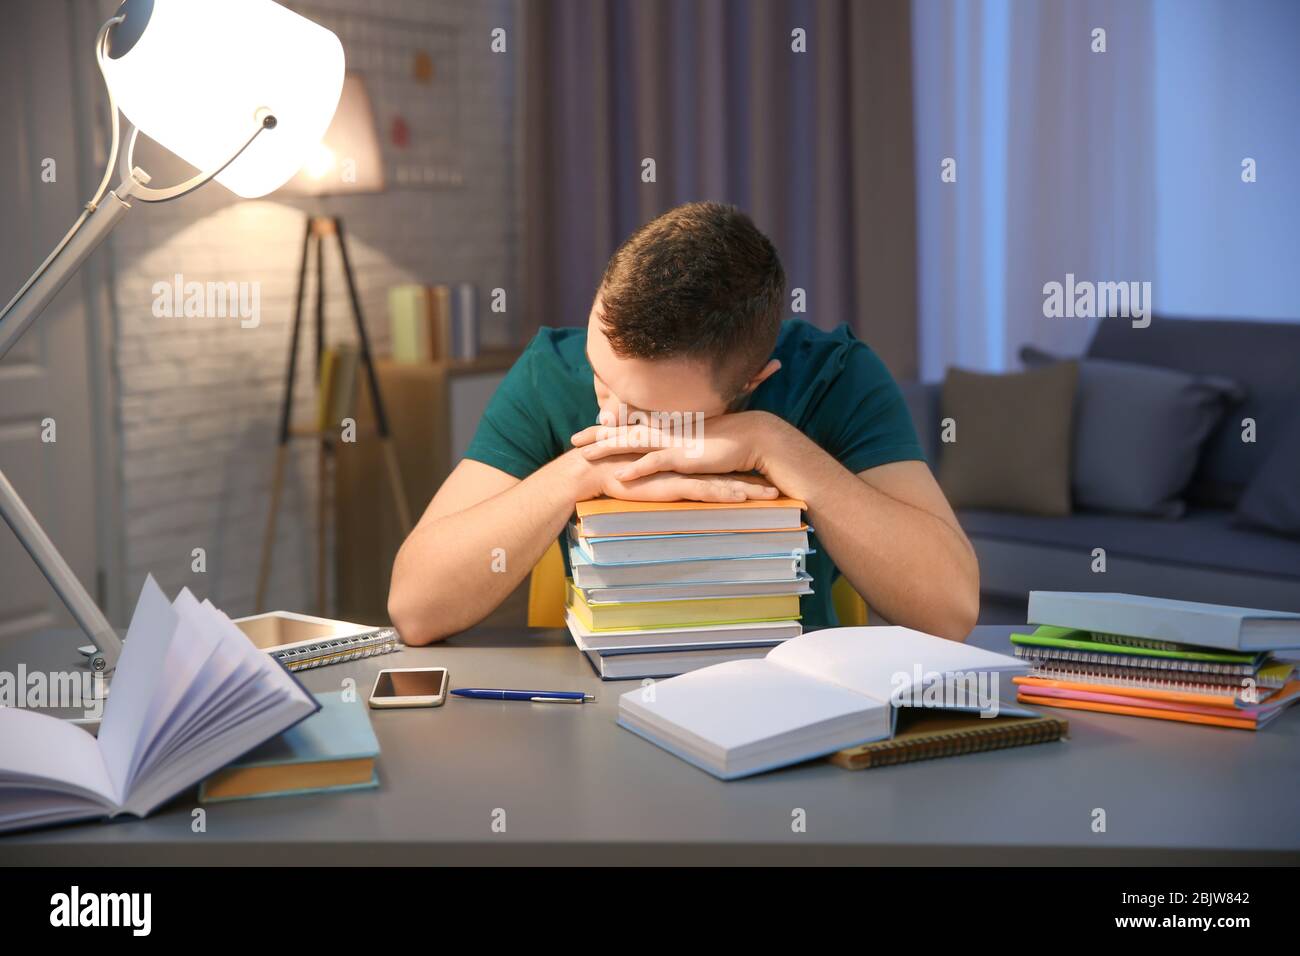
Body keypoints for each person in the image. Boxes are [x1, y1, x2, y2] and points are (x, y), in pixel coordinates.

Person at [389, 202, 978, 644]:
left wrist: (770, 442)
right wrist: (577, 473)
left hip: (792, 702)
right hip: (598, 698)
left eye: (648, 412)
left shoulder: (837, 375)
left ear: (752, 381)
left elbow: (950, 609)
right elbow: (414, 606)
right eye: (602, 374)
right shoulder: (552, 371)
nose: (613, 417)